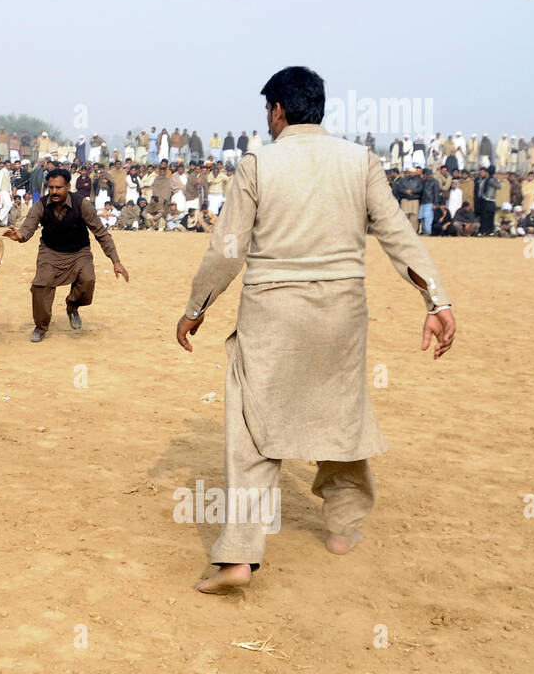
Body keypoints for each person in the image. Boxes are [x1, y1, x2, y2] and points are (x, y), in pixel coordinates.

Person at [177, 67, 455, 594]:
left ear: (278, 110)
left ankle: (239, 554)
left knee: (252, 431)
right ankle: (345, 529)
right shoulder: (360, 160)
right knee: (341, 416)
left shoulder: (258, 161)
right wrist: (435, 300)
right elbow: (396, 233)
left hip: (272, 316)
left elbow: (227, 249)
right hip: (342, 316)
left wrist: (197, 306)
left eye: (267, 110)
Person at [3, 167, 130, 342]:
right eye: (51, 187)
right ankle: (41, 327)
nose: (54, 192)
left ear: (68, 186)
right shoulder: (41, 204)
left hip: (79, 253)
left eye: (59, 188)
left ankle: (72, 306)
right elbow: (28, 226)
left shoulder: (82, 204)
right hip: (50, 252)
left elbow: (101, 233)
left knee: (88, 279)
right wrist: (20, 235)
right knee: (41, 285)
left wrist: (116, 261)